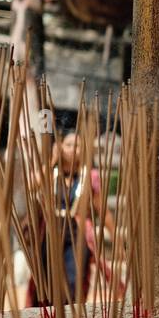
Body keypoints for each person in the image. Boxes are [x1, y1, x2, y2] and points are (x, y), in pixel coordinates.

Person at [26, 131, 114, 307]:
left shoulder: (89, 176)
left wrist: (115, 236)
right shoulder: (50, 173)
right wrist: (51, 161)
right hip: (49, 233)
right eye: (68, 145)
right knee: (46, 282)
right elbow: (31, 186)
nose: (74, 149)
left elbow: (101, 209)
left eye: (78, 145)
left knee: (74, 280)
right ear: (59, 148)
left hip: (76, 234)